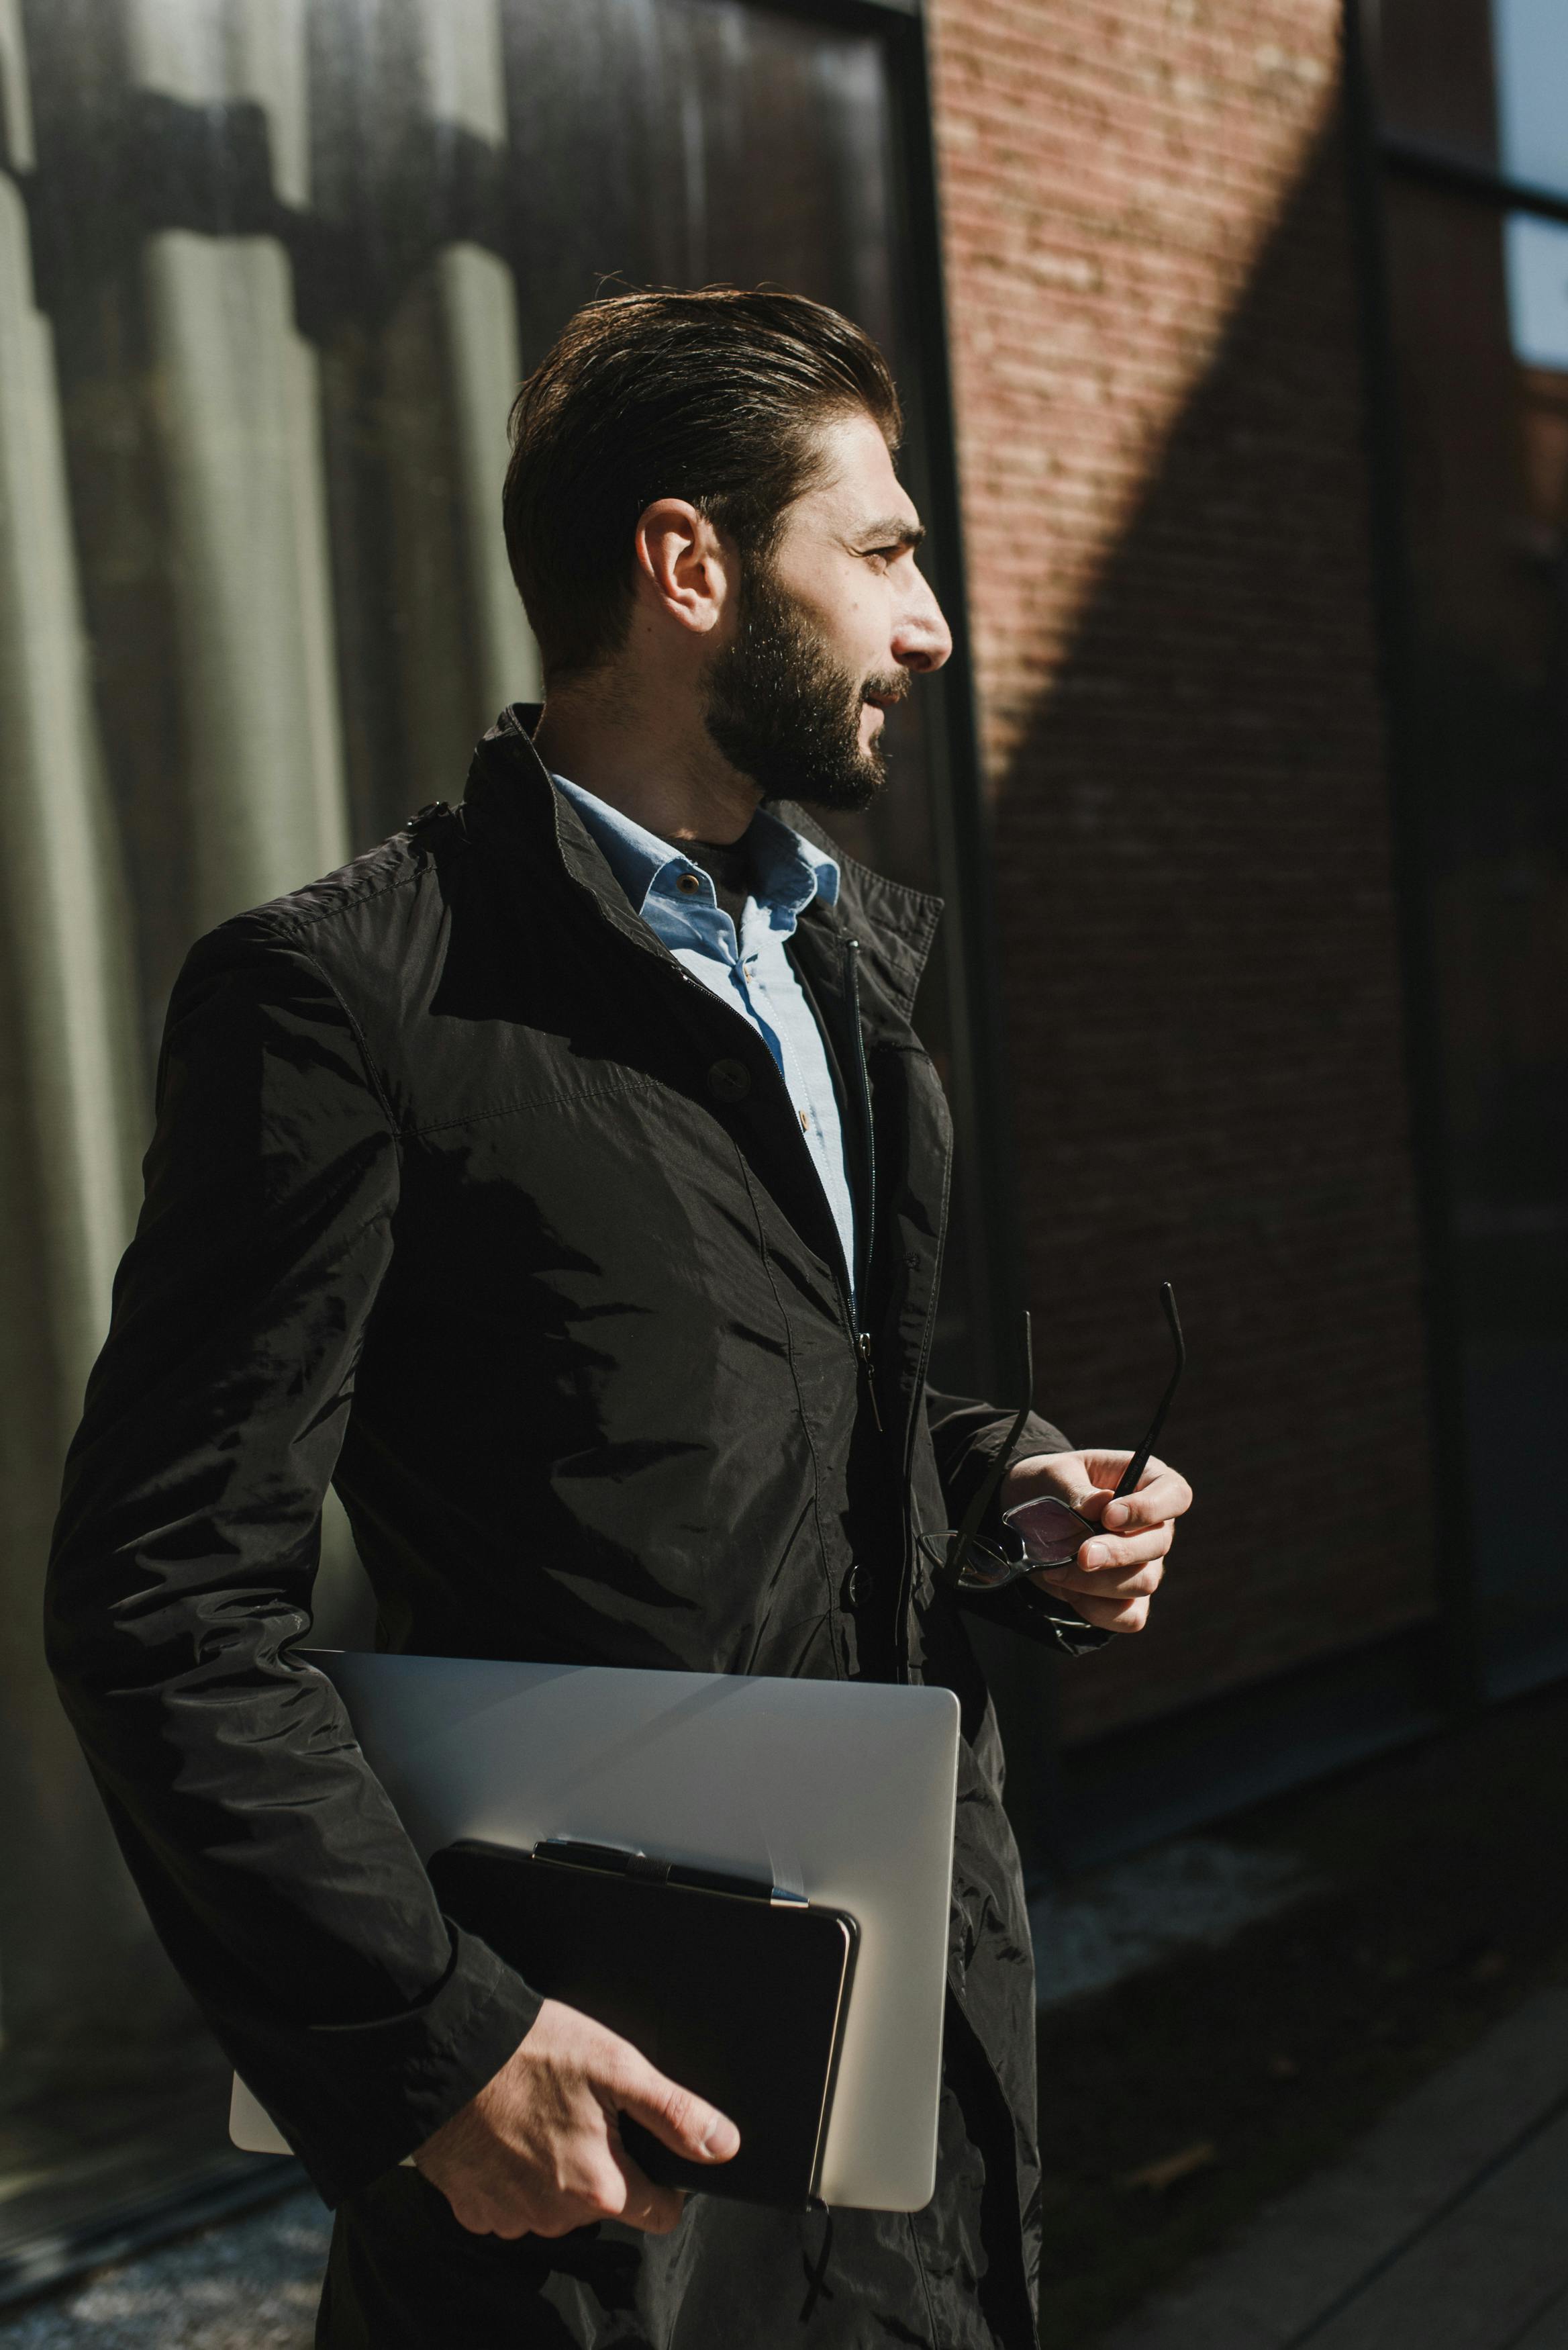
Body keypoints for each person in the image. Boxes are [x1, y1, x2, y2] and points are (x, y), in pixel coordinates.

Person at [45, 288, 1192, 2349]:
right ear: (689, 565)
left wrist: (1009, 1487)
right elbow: (162, 1600)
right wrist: (441, 2045)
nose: (930, 624)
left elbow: (769, 1396)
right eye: (883, 550)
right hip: (576, 2155)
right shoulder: (349, 996)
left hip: (908, 2112)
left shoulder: (838, 975)